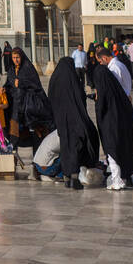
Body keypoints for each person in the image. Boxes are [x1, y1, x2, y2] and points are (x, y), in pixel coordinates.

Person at [47, 54, 101, 191]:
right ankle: (75, 177)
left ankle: (67, 177)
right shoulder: (73, 79)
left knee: (66, 147)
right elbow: (80, 98)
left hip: (61, 121)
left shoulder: (54, 79)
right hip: (75, 120)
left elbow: (51, 98)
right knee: (76, 146)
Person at [93, 61, 133, 191]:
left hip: (111, 127)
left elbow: (101, 107)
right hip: (120, 127)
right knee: (117, 151)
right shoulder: (118, 93)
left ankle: (117, 181)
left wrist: (97, 102)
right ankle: (123, 178)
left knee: (112, 152)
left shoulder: (106, 92)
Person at [5, 46, 52, 150]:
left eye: (17, 57)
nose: (15, 60)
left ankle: (36, 159)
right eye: (13, 57)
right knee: (14, 131)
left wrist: (22, 83)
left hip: (29, 108)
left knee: (35, 133)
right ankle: (13, 156)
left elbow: (35, 85)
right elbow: (8, 84)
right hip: (15, 107)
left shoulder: (28, 68)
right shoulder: (12, 70)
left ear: (21, 57)